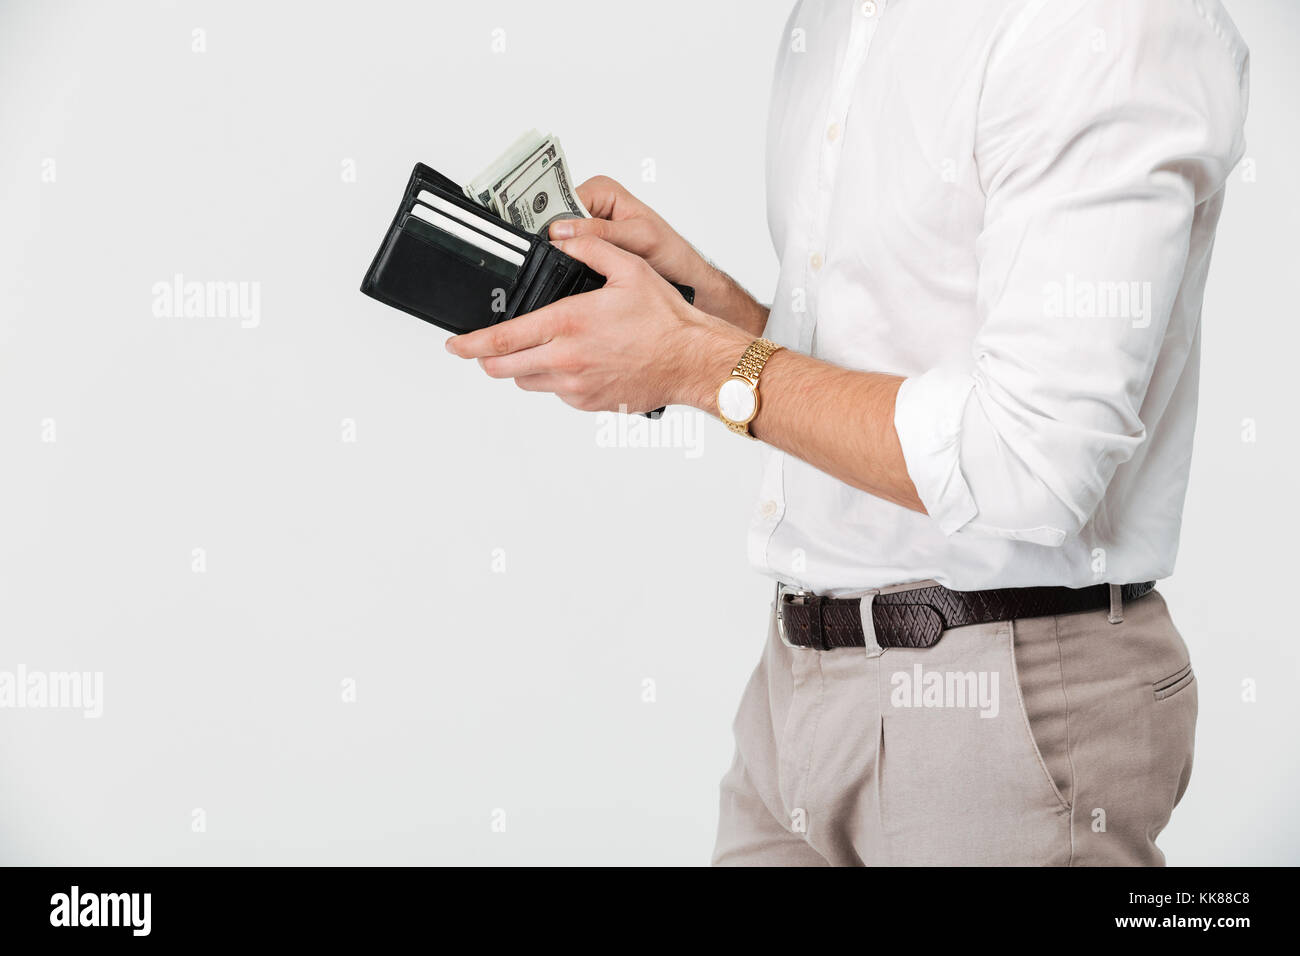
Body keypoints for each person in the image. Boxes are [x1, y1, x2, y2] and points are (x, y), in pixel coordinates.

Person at [446, 0, 1249, 865]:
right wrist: (715, 317)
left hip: (1005, 710)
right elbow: (889, 371)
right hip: (792, 692)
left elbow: (1031, 462)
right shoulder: (826, 23)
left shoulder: (1100, 26)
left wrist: (701, 364)